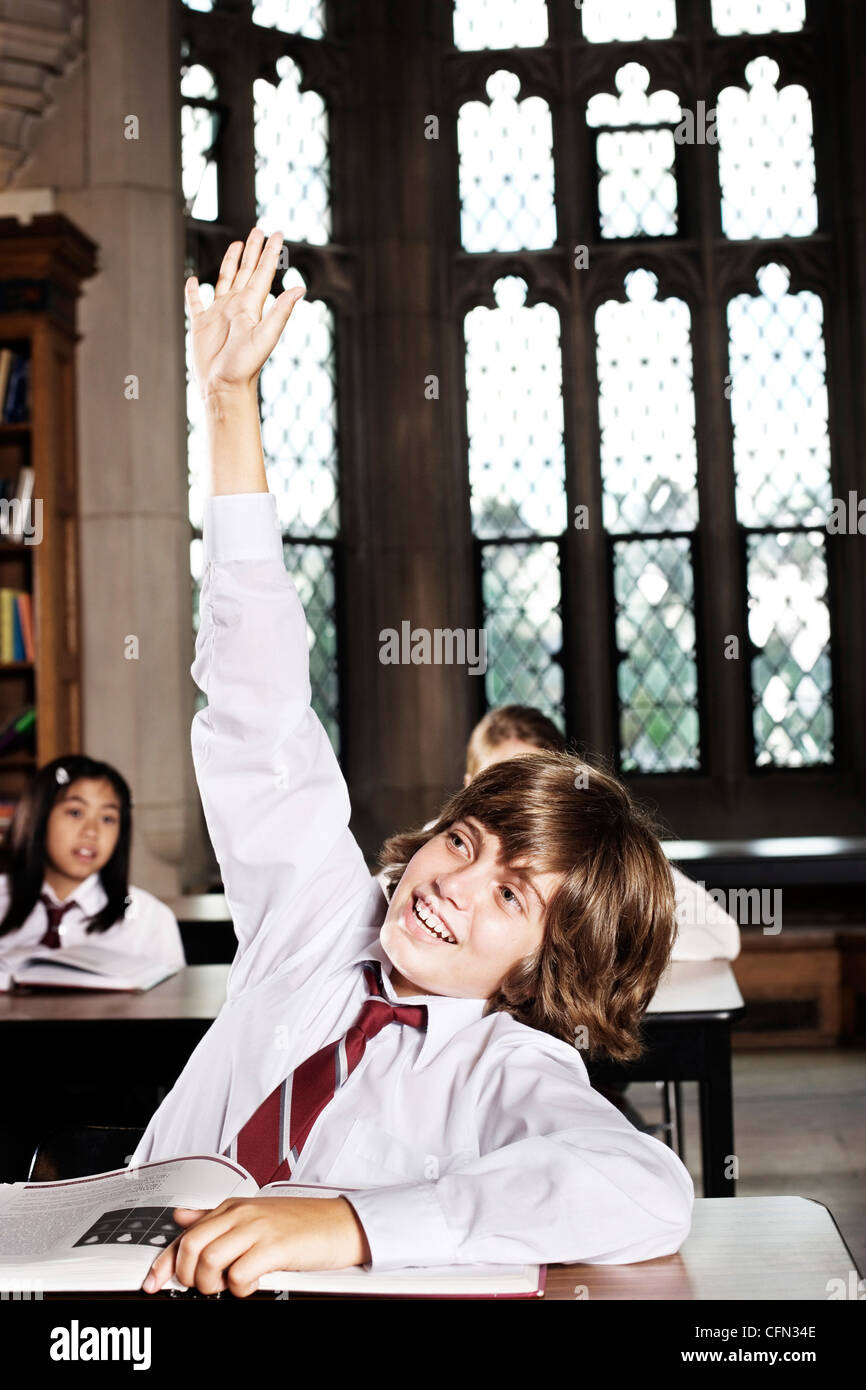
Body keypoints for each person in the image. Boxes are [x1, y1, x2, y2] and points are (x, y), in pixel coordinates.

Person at [135, 227, 693, 1298]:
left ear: (542, 964)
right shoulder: (316, 920)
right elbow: (257, 702)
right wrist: (227, 407)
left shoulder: (506, 1062)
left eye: (508, 894)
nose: (449, 885)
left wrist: (341, 1224)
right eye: (461, 841)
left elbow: (640, 1191)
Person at [461, 707, 741, 964]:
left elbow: (718, 934)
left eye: (533, 788)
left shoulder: (591, 846)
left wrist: (586, 932)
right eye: (497, 786)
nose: (514, 804)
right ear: (468, 789)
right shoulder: (435, 853)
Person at [0, 753, 185, 978]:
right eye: (75, 812)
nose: (91, 831)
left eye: (107, 819)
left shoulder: (150, 919)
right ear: (39, 817)